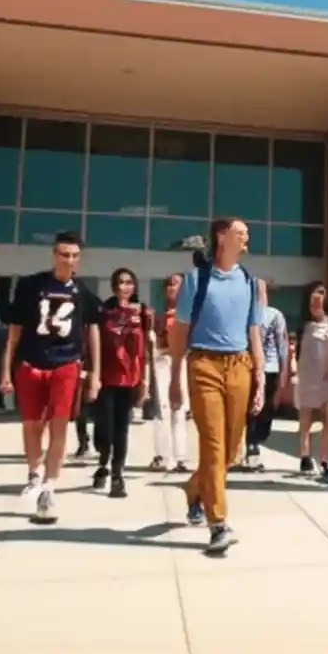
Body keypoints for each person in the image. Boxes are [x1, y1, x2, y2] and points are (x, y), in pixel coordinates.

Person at [167, 216, 264, 554]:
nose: (246, 236)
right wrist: (176, 375)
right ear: (222, 237)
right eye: (241, 231)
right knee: (212, 446)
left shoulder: (251, 282)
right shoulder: (196, 280)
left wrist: (261, 378)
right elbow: (179, 330)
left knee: (232, 451)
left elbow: (255, 331)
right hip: (204, 364)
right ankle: (218, 523)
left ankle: (196, 488)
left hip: (240, 365)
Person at [0, 231, 103, 523]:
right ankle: (34, 473)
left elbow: (92, 329)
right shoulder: (31, 285)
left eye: (74, 255)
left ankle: (50, 484)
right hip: (32, 361)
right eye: (63, 254)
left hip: (66, 364)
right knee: (32, 424)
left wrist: (95, 373)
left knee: (60, 426)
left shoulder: (82, 292)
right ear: (54, 255)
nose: (68, 260)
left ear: (79, 260)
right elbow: (15, 330)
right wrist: (6, 369)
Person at [93, 267, 152, 498]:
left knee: (122, 430)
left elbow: (147, 348)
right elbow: (93, 342)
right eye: (119, 282)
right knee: (104, 429)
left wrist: (145, 381)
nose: (123, 287)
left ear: (134, 286)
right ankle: (103, 461)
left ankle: (117, 475)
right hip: (106, 377)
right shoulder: (104, 311)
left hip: (131, 378)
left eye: (128, 282)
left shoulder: (142, 312)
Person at [239, 279, 290, 472]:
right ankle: (251, 448)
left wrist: (284, 372)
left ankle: (257, 440)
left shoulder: (275, 315)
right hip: (249, 368)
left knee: (267, 410)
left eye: (261, 289)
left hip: (271, 368)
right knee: (251, 410)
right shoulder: (245, 314)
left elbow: (282, 346)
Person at [294, 280, 328, 480]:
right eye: (314, 295)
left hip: (325, 378)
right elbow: (299, 353)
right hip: (307, 376)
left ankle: (325, 459)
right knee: (306, 419)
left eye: (321, 294)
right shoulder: (304, 326)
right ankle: (305, 455)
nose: (317, 298)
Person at [151, 273, 191, 472]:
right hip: (162, 360)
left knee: (180, 410)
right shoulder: (156, 316)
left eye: (176, 284)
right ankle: (161, 455)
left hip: (182, 362)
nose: (171, 288)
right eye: (168, 284)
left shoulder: (189, 316)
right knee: (162, 409)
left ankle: (180, 457)